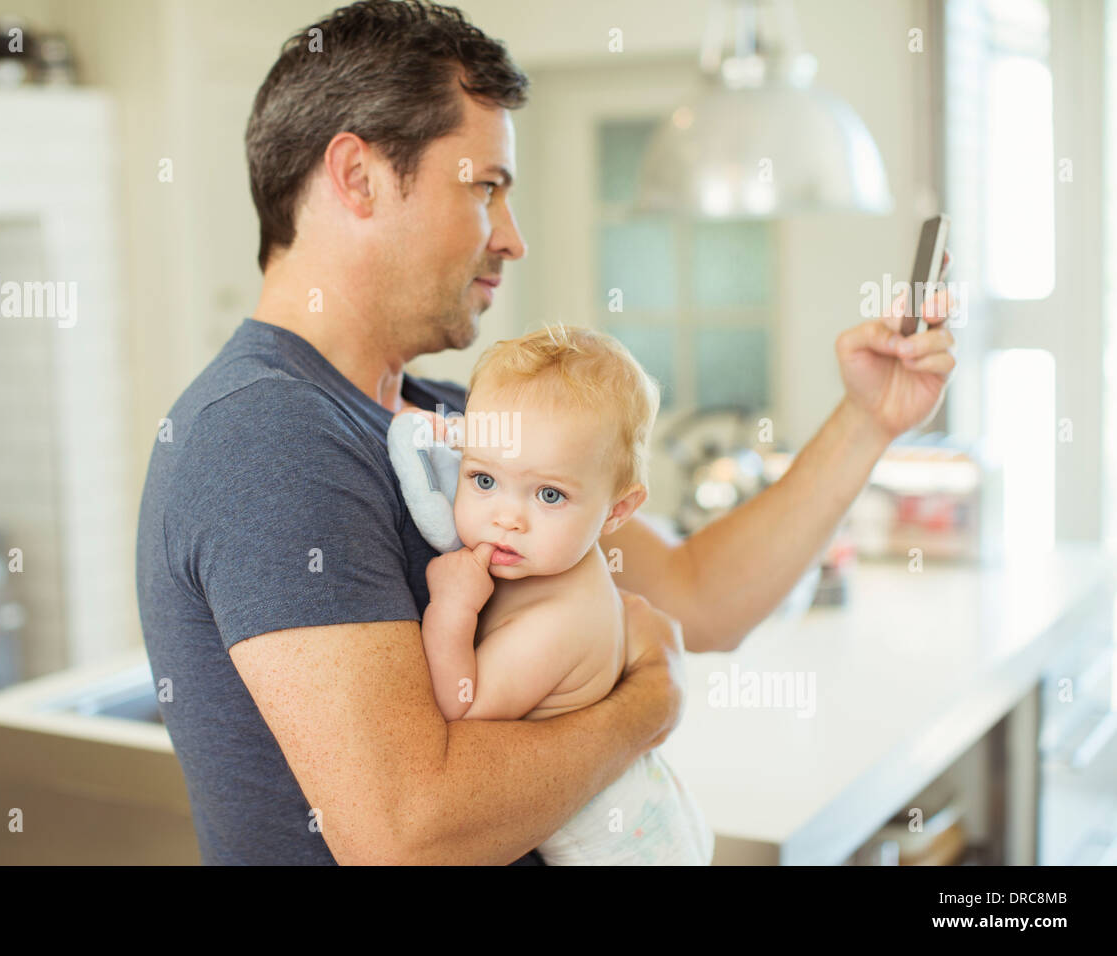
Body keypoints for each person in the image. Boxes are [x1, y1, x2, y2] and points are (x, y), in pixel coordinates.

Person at [135, 0, 956, 865]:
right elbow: (406, 835)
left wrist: (867, 421)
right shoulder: (268, 437)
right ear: (359, 177)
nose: (512, 239)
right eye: (485, 188)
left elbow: (701, 592)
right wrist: (646, 705)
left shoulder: (457, 424)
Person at [411, 325, 716, 865]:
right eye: (483, 481)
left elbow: (459, 708)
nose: (507, 517)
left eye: (549, 494)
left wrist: (452, 609)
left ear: (618, 510)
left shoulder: (555, 623)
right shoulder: (553, 557)